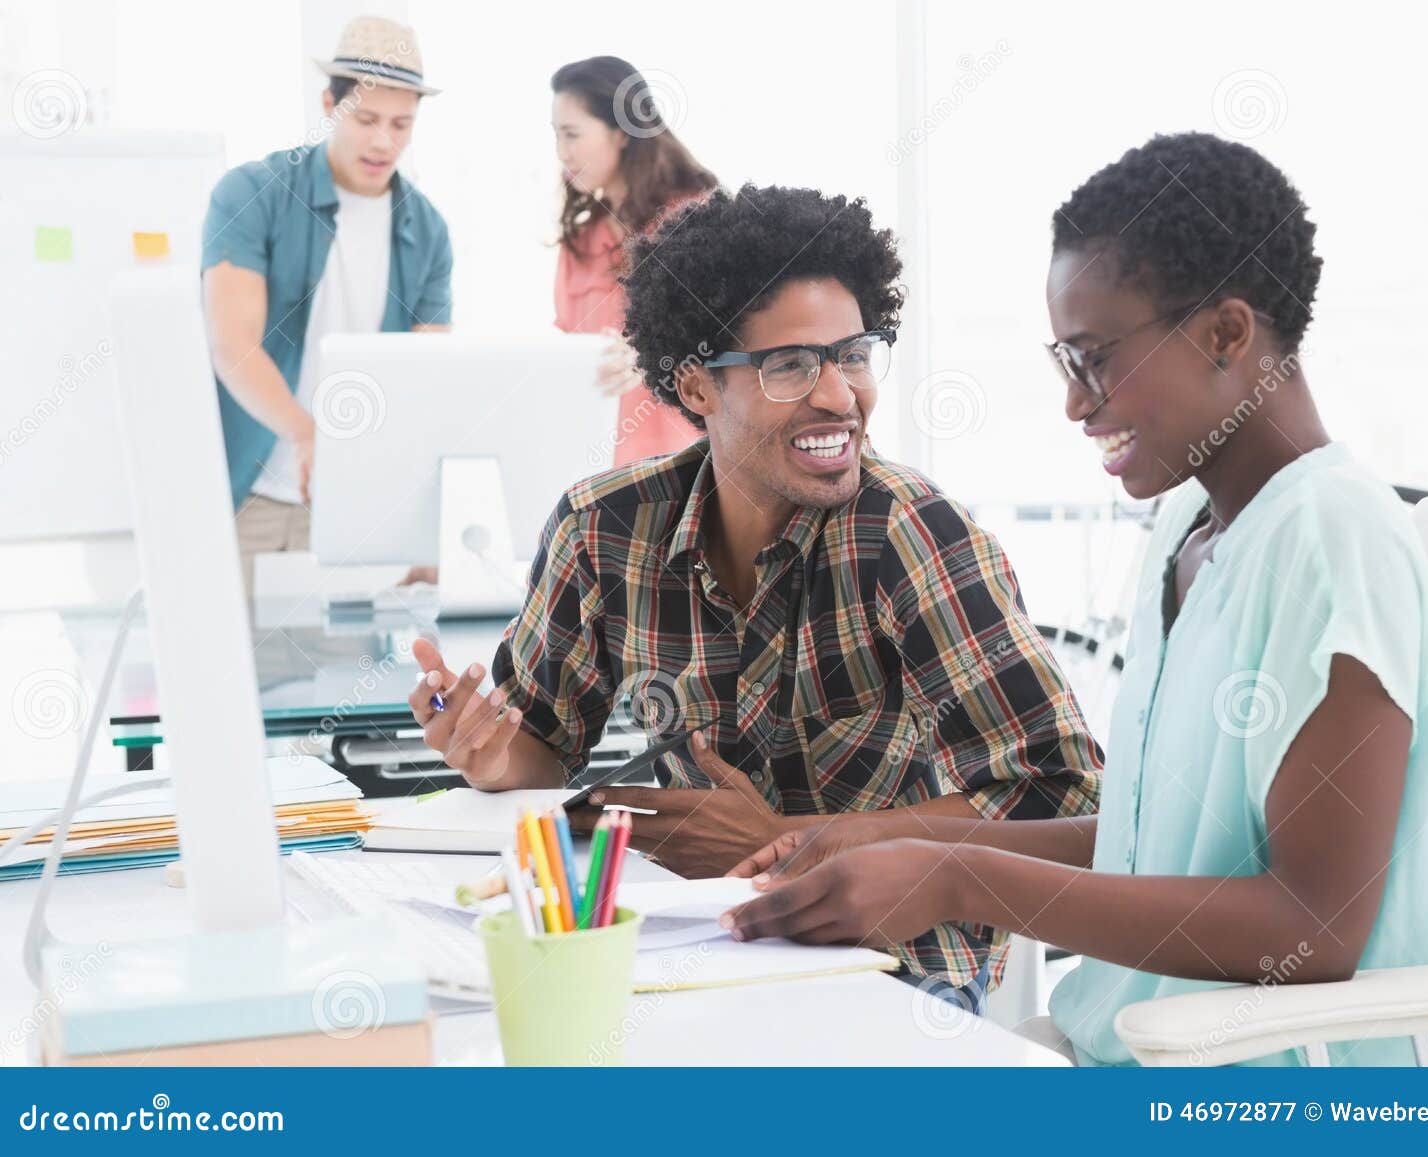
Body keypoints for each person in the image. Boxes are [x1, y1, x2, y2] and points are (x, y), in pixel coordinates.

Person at [721, 134, 1428, 1067]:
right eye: (1063, 361)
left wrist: (958, 876)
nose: (1077, 404)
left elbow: (1310, 928)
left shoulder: (1333, 536)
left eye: (1095, 358)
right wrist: (879, 839)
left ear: (1227, 335)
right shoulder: (1191, 524)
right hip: (1118, 1053)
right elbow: (1144, 839)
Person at [407, 184, 1102, 1006]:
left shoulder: (909, 535)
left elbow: (1064, 801)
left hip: (892, 969)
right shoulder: (603, 531)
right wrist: (488, 750)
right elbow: (542, 748)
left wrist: (799, 841)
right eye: (792, 366)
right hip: (683, 947)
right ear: (698, 387)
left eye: (852, 353)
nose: (842, 396)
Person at [201, 15, 452, 599]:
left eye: (401, 124)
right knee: (236, 680)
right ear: (329, 105)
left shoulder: (429, 230)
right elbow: (230, 344)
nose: (384, 141)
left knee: (351, 680)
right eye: (365, 119)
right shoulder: (252, 194)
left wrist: (422, 530)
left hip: (356, 513)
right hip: (247, 498)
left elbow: (429, 380)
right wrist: (307, 434)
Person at [550, 56, 717, 466]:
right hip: (602, 470)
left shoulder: (695, 219)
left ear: (622, 132)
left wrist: (651, 355)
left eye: (572, 135)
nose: (562, 152)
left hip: (691, 469)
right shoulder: (580, 242)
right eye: (556, 136)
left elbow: (735, 341)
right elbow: (568, 360)